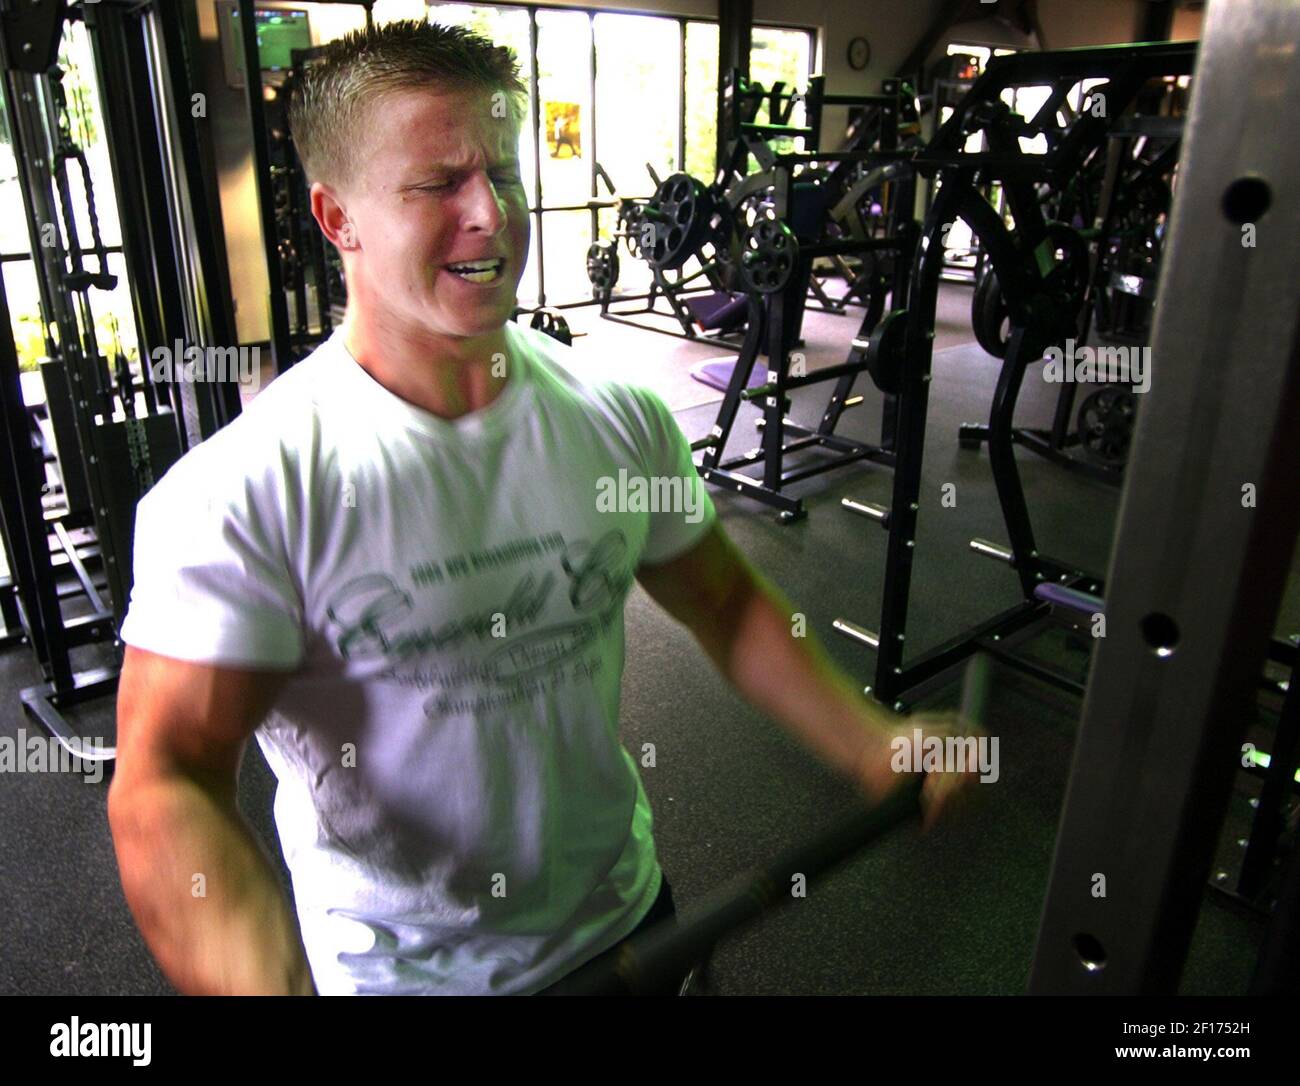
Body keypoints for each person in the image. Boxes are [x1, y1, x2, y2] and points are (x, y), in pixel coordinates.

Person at [107, 20, 971, 997]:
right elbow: (166, 780)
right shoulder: (248, 493)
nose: (491, 214)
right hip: (410, 981)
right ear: (336, 217)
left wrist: (870, 739)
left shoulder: (616, 418)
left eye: (504, 174)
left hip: (634, 923)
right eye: (439, 184)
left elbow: (724, 604)